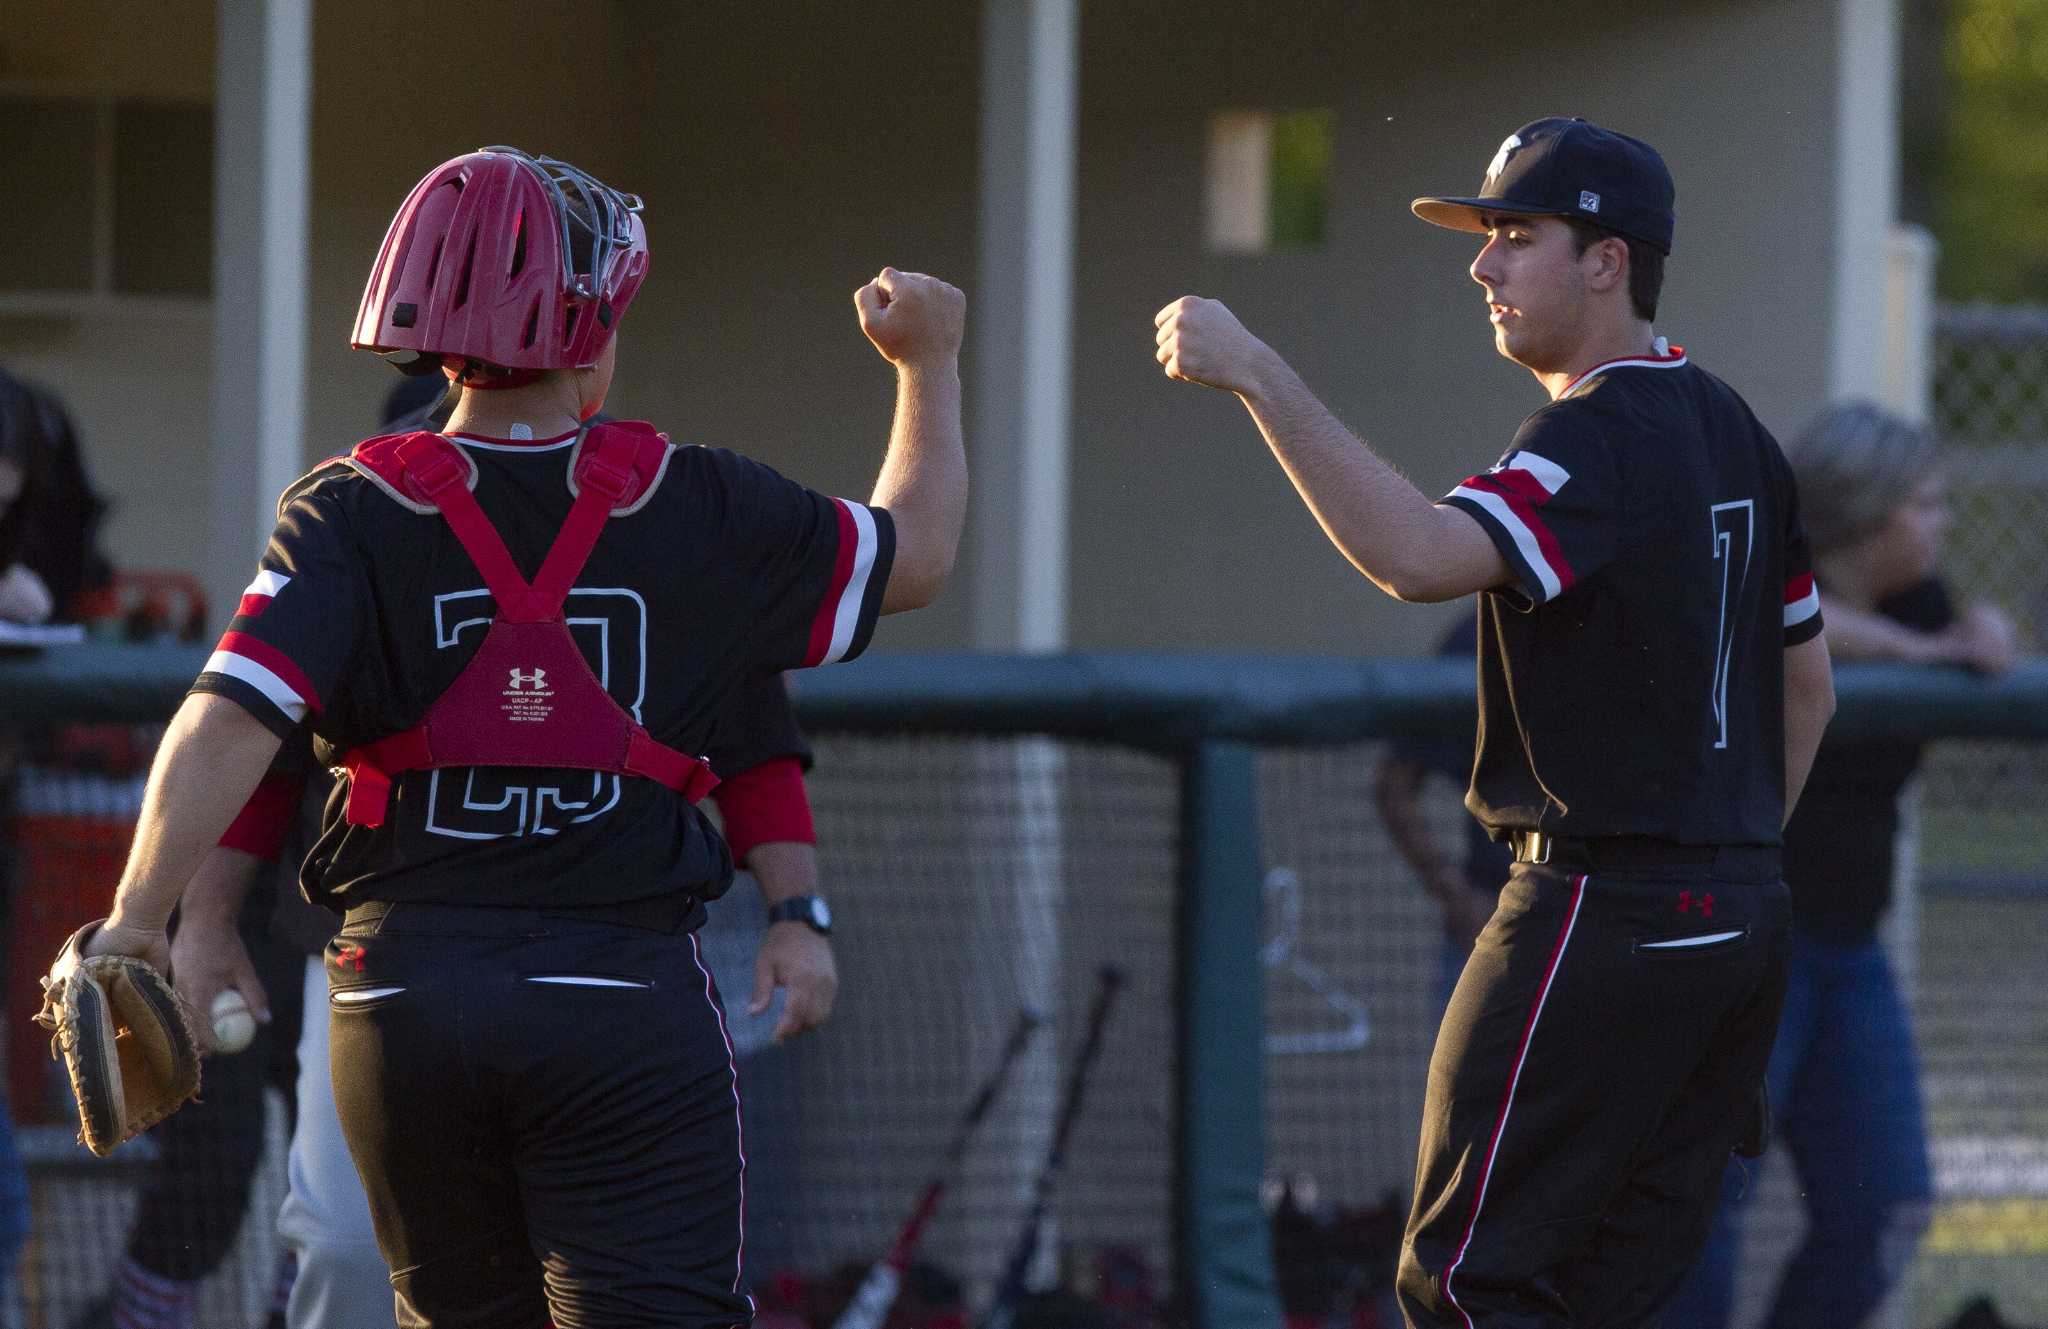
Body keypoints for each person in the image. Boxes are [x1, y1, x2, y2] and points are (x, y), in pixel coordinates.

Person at [66, 145, 966, 1328]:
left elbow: (230, 717)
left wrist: (143, 918)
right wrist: (928, 364)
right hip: (616, 996)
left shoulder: (345, 506)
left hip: (400, 1001)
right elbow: (920, 552)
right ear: (595, 331)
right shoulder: (693, 499)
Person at [1153, 115, 1837, 1325]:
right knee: (1602, 1297)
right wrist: (1724, 862)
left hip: (1596, 912)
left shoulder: (1595, 434)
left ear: (1607, 260)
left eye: (1515, 236)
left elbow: (1416, 557)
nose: (1482, 267)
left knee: (1463, 1281)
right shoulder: (1737, 428)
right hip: (1736, 925)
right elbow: (1807, 688)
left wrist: (1258, 372)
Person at [1663, 402, 2018, 1329]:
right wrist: (1933, 654)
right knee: (1705, 1202)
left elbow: (1971, 639)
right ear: (1866, 513)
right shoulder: (1769, 576)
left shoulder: (1922, 602)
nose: (1940, 522)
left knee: (1889, 1202)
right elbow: (1810, 633)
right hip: (1739, 949)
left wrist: (1978, 629)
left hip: (1848, 951)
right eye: (1926, 504)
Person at [1372, 617, 1514, 1013]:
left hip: (1602, 922)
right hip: (1493, 925)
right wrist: (1457, 897)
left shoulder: (1622, 627)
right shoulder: (1478, 634)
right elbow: (1394, 787)